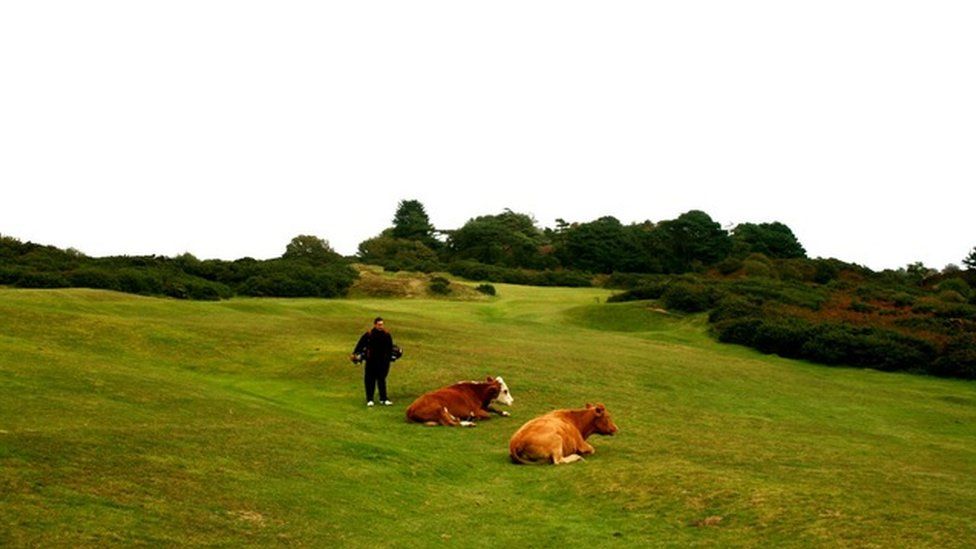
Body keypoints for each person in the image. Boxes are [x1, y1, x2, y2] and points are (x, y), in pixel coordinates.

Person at [351, 317, 395, 407]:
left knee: (382, 380)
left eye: (382, 324)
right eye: (379, 324)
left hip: (383, 362)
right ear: (375, 324)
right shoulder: (369, 334)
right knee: (369, 380)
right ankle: (370, 399)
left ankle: (383, 399)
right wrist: (355, 353)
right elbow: (360, 344)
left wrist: (390, 358)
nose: (381, 326)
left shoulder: (386, 335)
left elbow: (390, 348)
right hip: (371, 361)